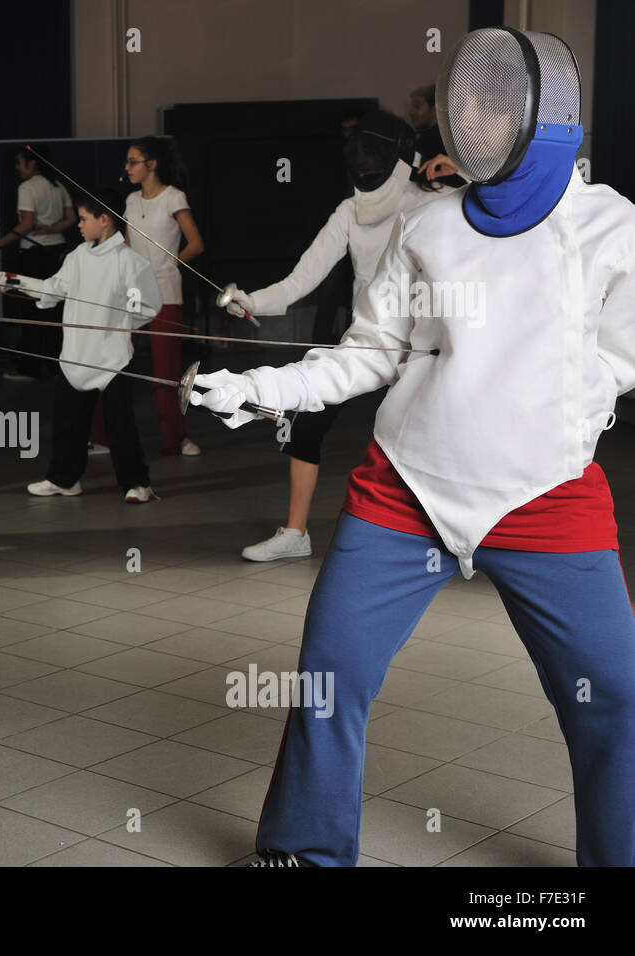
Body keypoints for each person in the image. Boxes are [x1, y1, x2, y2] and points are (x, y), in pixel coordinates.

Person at [193, 29, 635, 866]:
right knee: (330, 671)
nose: (471, 116)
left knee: (615, 695)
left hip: (544, 493)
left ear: (543, 117)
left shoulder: (612, 227)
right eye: (465, 101)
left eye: (492, 101)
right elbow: (370, 352)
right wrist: (260, 389)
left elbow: (621, 358)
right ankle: (305, 851)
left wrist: (561, 413)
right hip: (407, 489)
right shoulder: (425, 225)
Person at [220, 111, 444, 562]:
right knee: (308, 425)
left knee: (426, 435)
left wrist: (464, 172)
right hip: (367, 339)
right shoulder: (349, 212)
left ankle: (443, 541)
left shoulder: (437, 204)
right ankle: (296, 533)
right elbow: (302, 278)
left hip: (423, 343)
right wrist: (252, 301)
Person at [9, 187, 162, 502]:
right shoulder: (78, 256)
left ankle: (137, 484)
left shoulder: (130, 262)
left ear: (104, 220)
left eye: (83, 219)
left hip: (113, 357)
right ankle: (64, 479)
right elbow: (54, 290)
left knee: (120, 423)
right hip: (76, 355)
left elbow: (147, 306)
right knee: (68, 421)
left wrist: (118, 326)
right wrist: (15, 282)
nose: (78, 225)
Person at [118, 136, 204, 457]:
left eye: (132, 161)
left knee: (165, 371)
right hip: (133, 294)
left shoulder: (174, 197)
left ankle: (176, 438)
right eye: (127, 162)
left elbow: (196, 243)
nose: (127, 168)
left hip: (166, 292)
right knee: (113, 363)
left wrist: (169, 263)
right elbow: (127, 244)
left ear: (151, 165)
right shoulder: (130, 200)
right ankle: (102, 437)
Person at [0, 146, 75, 380]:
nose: (17, 168)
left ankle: (31, 369)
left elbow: (26, 224)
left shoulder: (27, 187)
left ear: (32, 163)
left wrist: (0, 242)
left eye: (20, 162)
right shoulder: (58, 184)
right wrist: (51, 228)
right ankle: (58, 368)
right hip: (58, 253)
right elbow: (71, 219)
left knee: (32, 313)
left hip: (34, 256)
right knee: (56, 312)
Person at [408, 83, 464, 187]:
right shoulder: (422, 137)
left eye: (417, 106)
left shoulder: (450, 140)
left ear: (435, 108)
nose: (411, 111)